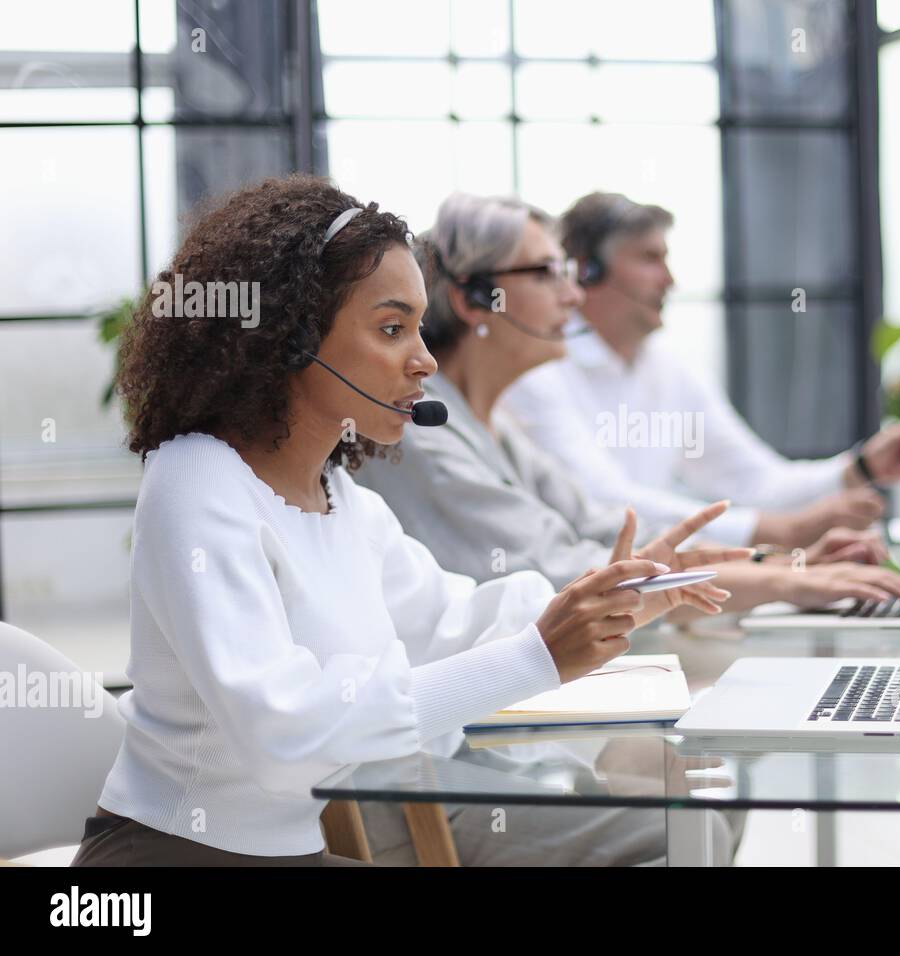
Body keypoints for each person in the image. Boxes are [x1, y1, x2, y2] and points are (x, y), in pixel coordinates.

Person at [71, 175, 733, 867]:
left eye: (418, 327)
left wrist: (612, 601)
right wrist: (535, 656)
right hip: (167, 857)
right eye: (392, 329)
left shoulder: (343, 499)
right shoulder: (197, 479)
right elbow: (282, 735)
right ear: (293, 338)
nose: (424, 360)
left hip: (294, 857)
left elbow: (452, 624)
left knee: (688, 833)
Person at [353, 192, 900, 615]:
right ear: (474, 298)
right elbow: (564, 569)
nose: (572, 295)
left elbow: (604, 528)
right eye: (549, 275)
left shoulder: (490, 422)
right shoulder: (423, 429)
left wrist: (775, 562)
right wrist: (782, 579)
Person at [500, 191, 900, 549]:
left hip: (651, 592)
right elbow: (602, 500)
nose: (670, 280)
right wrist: (778, 532)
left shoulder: (670, 368)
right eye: (650, 259)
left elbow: (755, 481)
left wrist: (862, 467)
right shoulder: (537, 367)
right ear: (587, 271)